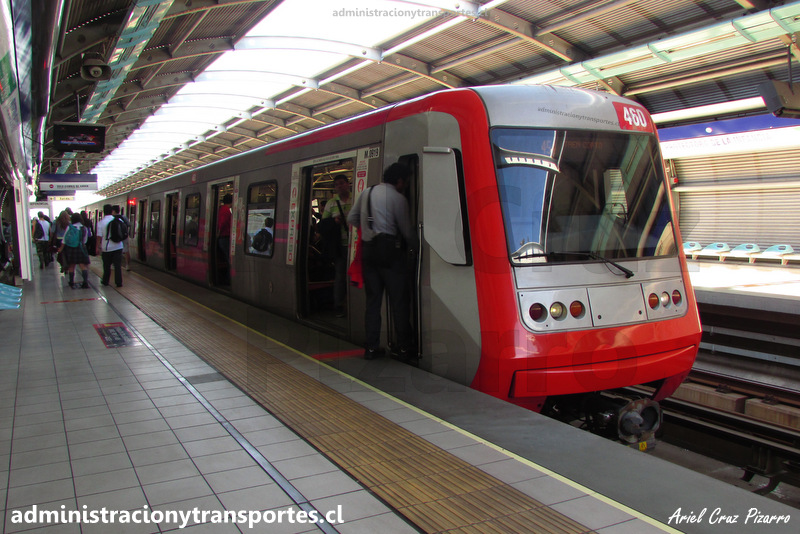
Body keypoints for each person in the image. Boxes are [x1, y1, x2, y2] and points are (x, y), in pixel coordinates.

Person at [347, 162, 418, 360]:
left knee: (373, 302)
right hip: (390, 254)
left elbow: (351, 219)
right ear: (400, 180)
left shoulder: (367, 193)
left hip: (369, 253)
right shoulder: (398, 198)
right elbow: (406, 231)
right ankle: (404, 348)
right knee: (399, 302)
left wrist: (368, 228)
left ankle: (371, 348)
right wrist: (417, 247)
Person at [321, 174, 353, 317]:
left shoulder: (355, 199)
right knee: (340, 277)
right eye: (337, 184)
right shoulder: (331, 203)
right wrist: (334, 222)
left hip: (355, 245)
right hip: (340, 245)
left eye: (342, 183)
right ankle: (339, 305)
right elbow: (322, 225)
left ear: (348, 184)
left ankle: (355, 304)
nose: (339, 186)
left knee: (356, 275)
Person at [59, 212, 91, 289]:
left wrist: (61, 249)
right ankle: (85, 282)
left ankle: (71, 282)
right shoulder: (84, 228)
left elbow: (64, 240)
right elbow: (85, 240)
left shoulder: (69, 227)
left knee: (71, 266)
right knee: (83, 266)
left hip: (71, 248)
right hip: (81, 248)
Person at [99, 204, 124, 287]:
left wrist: (97, 247)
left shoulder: (101, 223)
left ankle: (105, 281)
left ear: (103, 212)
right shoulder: (119, 220)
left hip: (107, 247)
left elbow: (99, 236)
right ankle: (119, 282)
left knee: (106, 266)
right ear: (112, 211)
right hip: (118, 246)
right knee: (117, 266)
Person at [217, 193, 233, 285]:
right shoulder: (226, 210)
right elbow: (222, 223)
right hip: (225, 237)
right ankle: (228, 280)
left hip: (223, 238)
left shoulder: (222, 209)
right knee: (229, 260)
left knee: (228, 259)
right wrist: (219, 233)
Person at [112, 205, 131, 270]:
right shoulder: (123, 217)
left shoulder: (112, 218)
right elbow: (129, 225)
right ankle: (127, 265)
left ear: (113, 211)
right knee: (126, 251)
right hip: (124, 237)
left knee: (114, 251)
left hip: (115, 238)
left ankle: (114, 264)